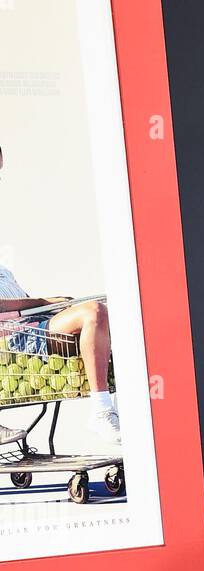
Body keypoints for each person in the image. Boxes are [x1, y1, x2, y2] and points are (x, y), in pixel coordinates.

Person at [0, 143, 121, 446]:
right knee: (92, 312)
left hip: (32, 326)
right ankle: (102, 410)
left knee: (106, 310)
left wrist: (50, 305)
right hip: (14, 340)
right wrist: (41, 303)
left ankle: (120, 407)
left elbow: (16, 300)